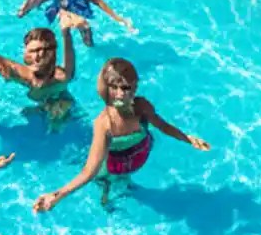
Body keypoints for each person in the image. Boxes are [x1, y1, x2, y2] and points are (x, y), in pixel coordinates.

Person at [32, 58, 210, 210]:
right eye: (113, 87)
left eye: (125, 88)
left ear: (134, 88)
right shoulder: (104, 124)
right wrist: (58, 195)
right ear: (106, 88)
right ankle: (106, 195)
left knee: (126, 182)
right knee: (106, 186)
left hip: (138, 155)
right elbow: (89, 171)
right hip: (111, 167)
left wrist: (187, 138)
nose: (119, 94)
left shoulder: (141, 107)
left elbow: (162, 125)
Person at [0, 19, 78, 128]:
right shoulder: (24, 75)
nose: (36, 57)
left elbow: (68, 47)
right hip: (43, 106)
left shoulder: (61, 77)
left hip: (63, 102)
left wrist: (66, 31)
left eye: (42, 52)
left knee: (58, 113)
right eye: (32, 51)